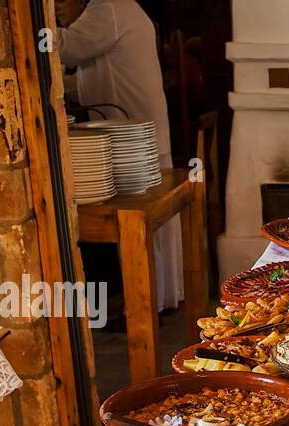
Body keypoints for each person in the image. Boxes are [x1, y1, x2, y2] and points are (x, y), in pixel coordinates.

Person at [57, 0, 183, 313]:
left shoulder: (107, 8)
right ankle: (159, 298)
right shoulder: (120, 8)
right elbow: (92, 77)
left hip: (133, 136)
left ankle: (148, 303)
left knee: (145, 220)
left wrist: (38, 22)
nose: (57, 7)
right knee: (156, 224)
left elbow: (66, 49)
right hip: (137, 132)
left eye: (60, 1)